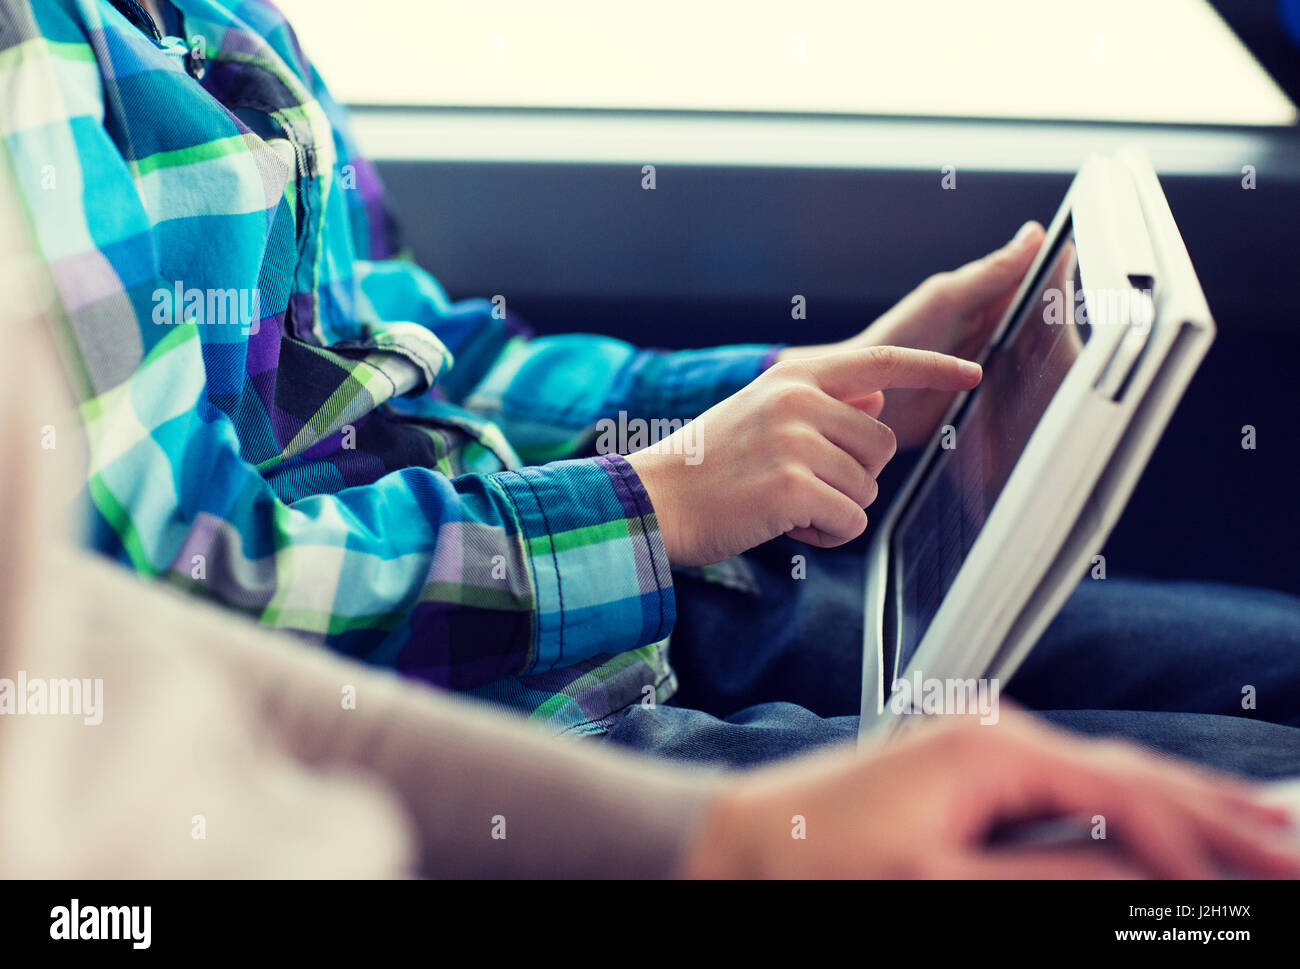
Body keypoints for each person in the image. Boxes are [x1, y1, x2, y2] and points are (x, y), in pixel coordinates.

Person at [6, 0, 1300, 777]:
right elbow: (157, 585)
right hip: (468, 724)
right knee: (1251, 803)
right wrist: (652, 503)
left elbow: (406, 347)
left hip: (577, 602)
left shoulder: (211, 20)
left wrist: (787, 394)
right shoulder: (32, 67)